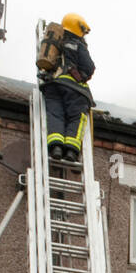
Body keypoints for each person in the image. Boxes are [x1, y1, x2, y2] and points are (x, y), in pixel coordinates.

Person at [40, 13, 95, 163]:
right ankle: (71, 150)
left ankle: (56, 148)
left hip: (53, 85)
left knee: (55, 114)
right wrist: (82, 75)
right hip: (74, 88)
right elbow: (89, 67)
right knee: (77, 117)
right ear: (79, 28)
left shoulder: (56, 42)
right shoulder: (78, 44)